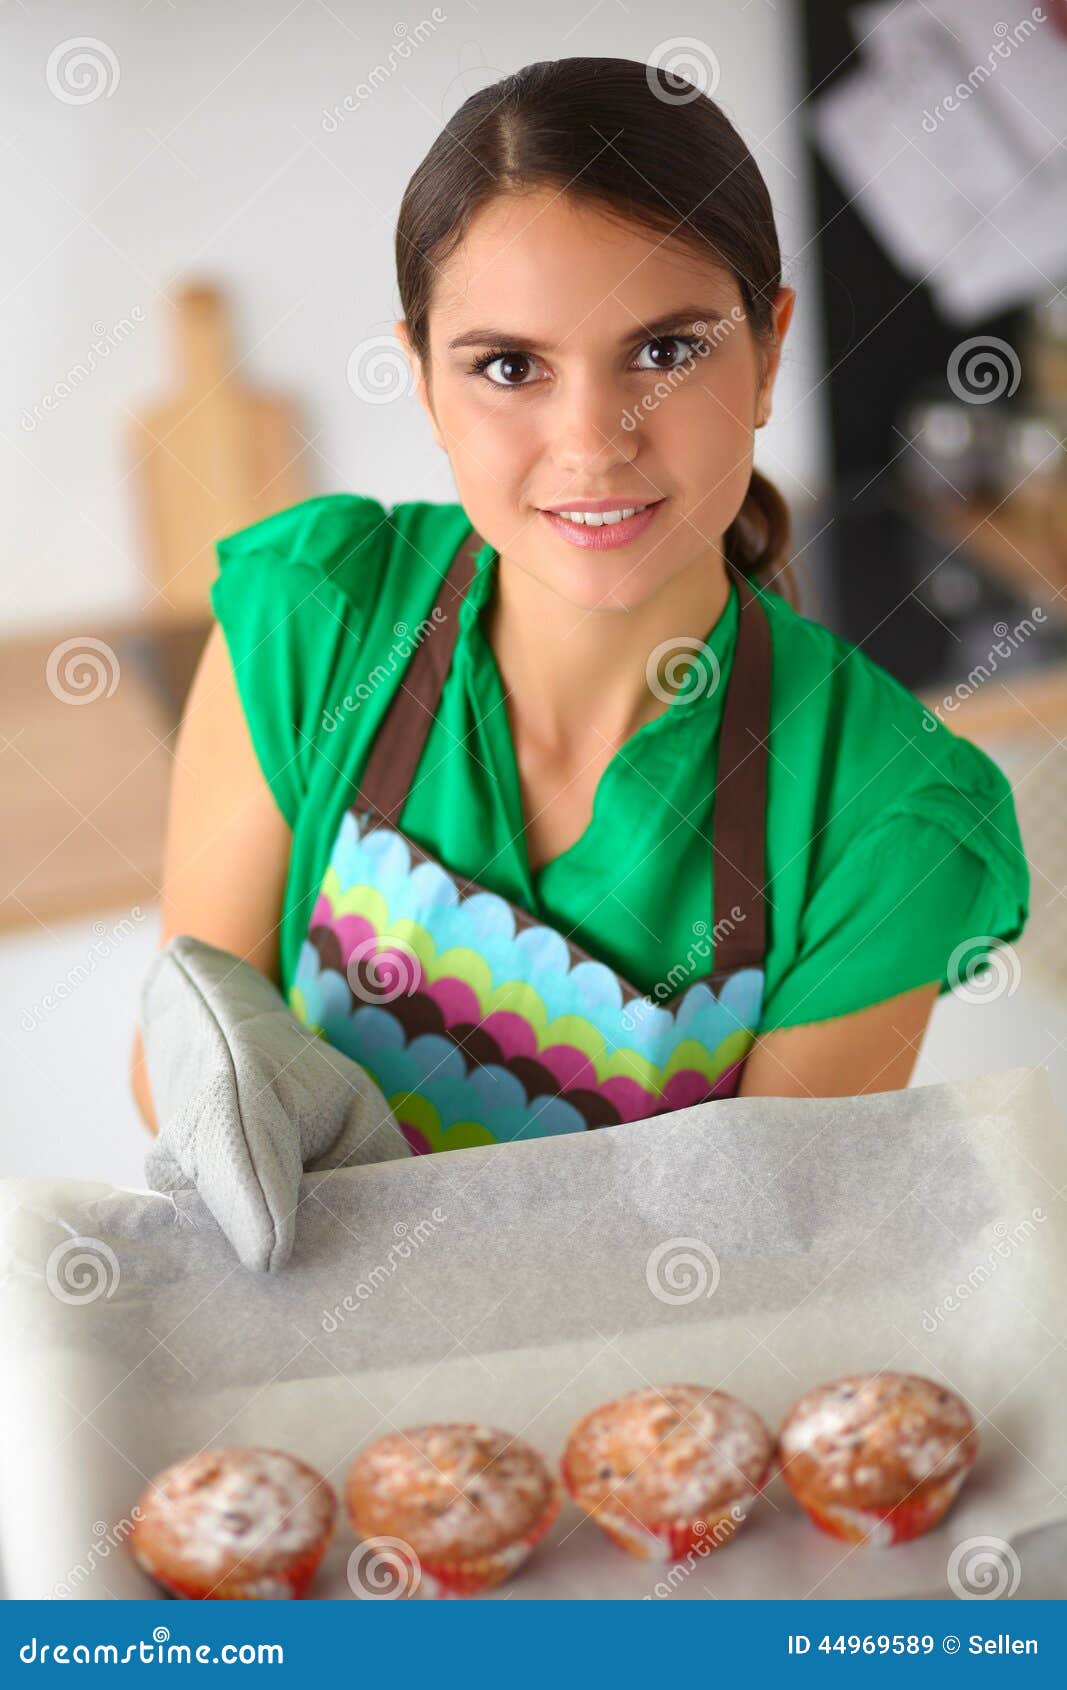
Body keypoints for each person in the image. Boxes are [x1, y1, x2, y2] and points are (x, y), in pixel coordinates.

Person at [131, 56, 1029, 1154]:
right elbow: (182, 1068)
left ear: (766, 353)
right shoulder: (312, 621)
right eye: (509, 367)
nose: (595, 445)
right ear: (420, 381)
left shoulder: (884, 815)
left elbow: (771, 1261)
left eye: (663, 351)